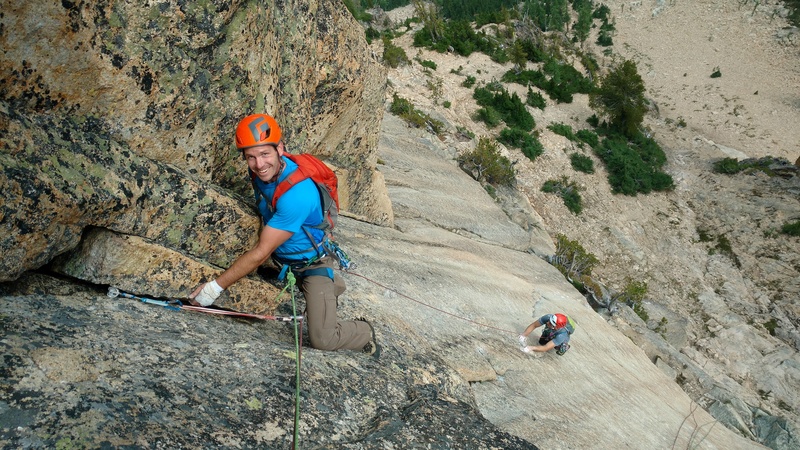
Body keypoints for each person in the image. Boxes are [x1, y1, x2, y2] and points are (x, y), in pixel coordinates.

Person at [189, 113, 379, 357]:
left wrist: (213, 289)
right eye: (251, 157)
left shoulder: (297, 194)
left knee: (323, 338)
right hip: (285, 259)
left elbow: (260, 253)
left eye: (265, 154)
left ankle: (364, 331)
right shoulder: (264, 171)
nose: (259, 165)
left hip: (311, 265)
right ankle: (329, 291)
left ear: (280, 148)